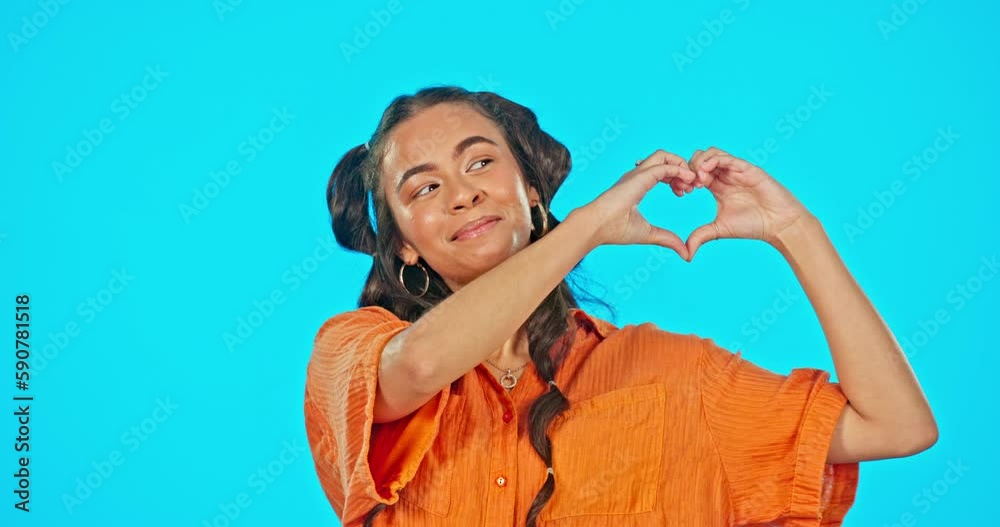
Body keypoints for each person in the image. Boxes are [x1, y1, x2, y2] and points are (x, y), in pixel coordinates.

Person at [303, 86, 938, 526]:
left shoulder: (671, 375)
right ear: (404, 247)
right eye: (427, 188)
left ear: (530, 190)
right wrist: (585, 224)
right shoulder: (352, 353)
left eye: (481, 162)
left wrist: (795, 229)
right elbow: (417, 366)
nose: (464, 194)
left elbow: (898, 426)